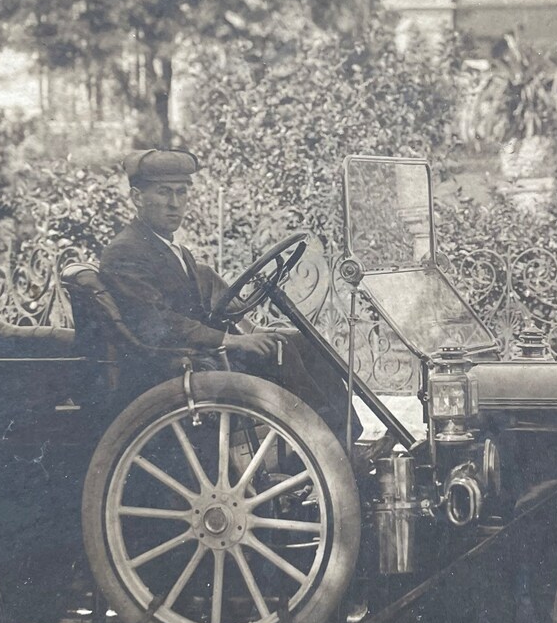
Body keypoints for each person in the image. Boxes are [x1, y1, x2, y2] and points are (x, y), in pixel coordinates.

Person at [93, 148, 362, 445]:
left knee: (305, 341)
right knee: (279, 351)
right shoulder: (126, 251)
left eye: (181, 192)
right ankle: (328, 448)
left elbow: (203, 292)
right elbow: (155, 323)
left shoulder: (172, 250)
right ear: (136, 197)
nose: (174, 204)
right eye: (163, 192)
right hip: (167, 368)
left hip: (195, 357)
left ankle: (349, 437)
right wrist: (231, 340)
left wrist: (246, 325)